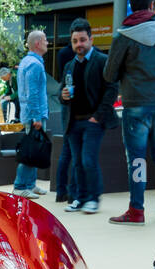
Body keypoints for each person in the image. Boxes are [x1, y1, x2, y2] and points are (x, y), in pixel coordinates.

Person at [103, 0, 155, 224]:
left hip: (135, 104)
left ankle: (137, 210)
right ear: (152, 4)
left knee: (137, 159)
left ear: (132, 5)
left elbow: (109, 74)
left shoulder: (123, 36)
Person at [59, 22, 117, 214]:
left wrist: (97, 117)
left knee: (88, 160)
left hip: (93, 121)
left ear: (91, 39)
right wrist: (63, 96)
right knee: (77, 162)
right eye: (75, 41)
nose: (79, 44)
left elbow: (111, 90)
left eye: (83, 40)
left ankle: (93, 198)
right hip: (73, 121)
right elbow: (61, 92)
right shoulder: (69, 65)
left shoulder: (102, 60)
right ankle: (79, 198)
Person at [12, 29, 50, 199]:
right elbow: (32, 93)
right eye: (45, 40)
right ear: (37, 43)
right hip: (35, 114)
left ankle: (30, 184)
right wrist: (36, 117)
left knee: (34, 149)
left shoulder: (27, 62)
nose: (48, 43)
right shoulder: (34, 64)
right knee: (30, 151)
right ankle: (20, 186)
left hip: (32, 113)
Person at [52, 25, 82, 202]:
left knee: (66, 152)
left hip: (66, 108)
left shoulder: (62, 54)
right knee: (75, 153)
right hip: (74, 108)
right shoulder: (74, 58)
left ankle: (60, 191)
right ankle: (73, 192)